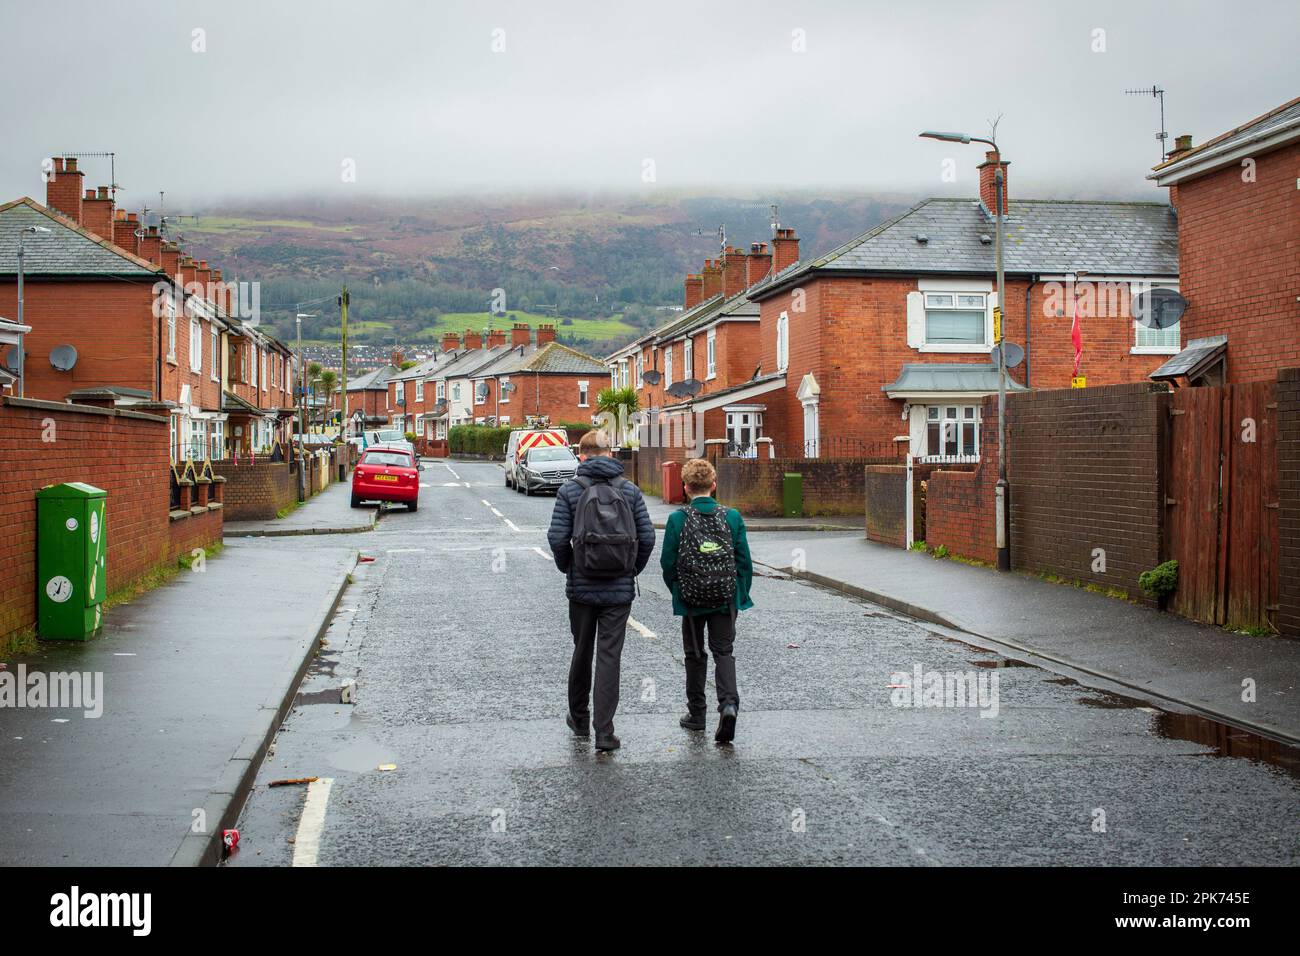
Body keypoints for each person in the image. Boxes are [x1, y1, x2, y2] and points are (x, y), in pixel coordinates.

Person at [547, 430, 655, 752]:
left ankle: (579, 719)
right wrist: (630, 569)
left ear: (581, 456)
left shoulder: (570, 490)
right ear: (610, 454)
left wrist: (570, 567)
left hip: (581, 588)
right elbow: (647, 538)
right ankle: (604, 732)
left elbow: (556, 538)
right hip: (618, 591)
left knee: (582, 651)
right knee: (609, 657)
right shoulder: (630, 491)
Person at [659, 458, 752, 744]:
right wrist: (739, 594)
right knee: (724, 651)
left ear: (685, 488)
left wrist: (680, 590)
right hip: (725, 598)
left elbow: (667, 563)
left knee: (695, 654)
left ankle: (697, 715)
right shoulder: (732, 517)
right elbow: (744, 562)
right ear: (713, 485)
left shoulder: (678, 519)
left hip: (691, 599)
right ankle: (728, 705)